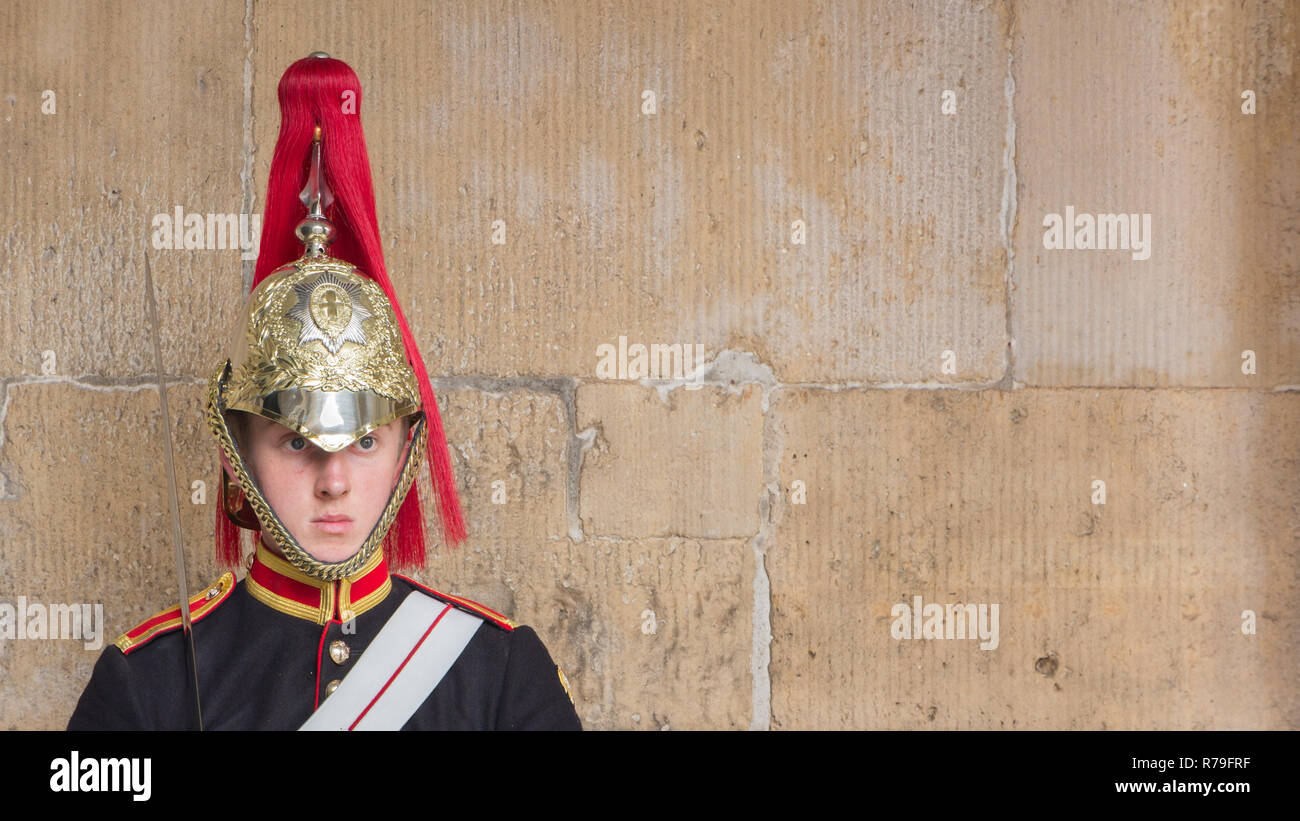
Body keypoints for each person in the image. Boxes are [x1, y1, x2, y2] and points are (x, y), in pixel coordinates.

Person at [67, 54, 580, 731]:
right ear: (235, 455)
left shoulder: (497, 671)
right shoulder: (148, 682)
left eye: (366, 440)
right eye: (298, 442)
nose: (333, 480)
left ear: (406, 451)